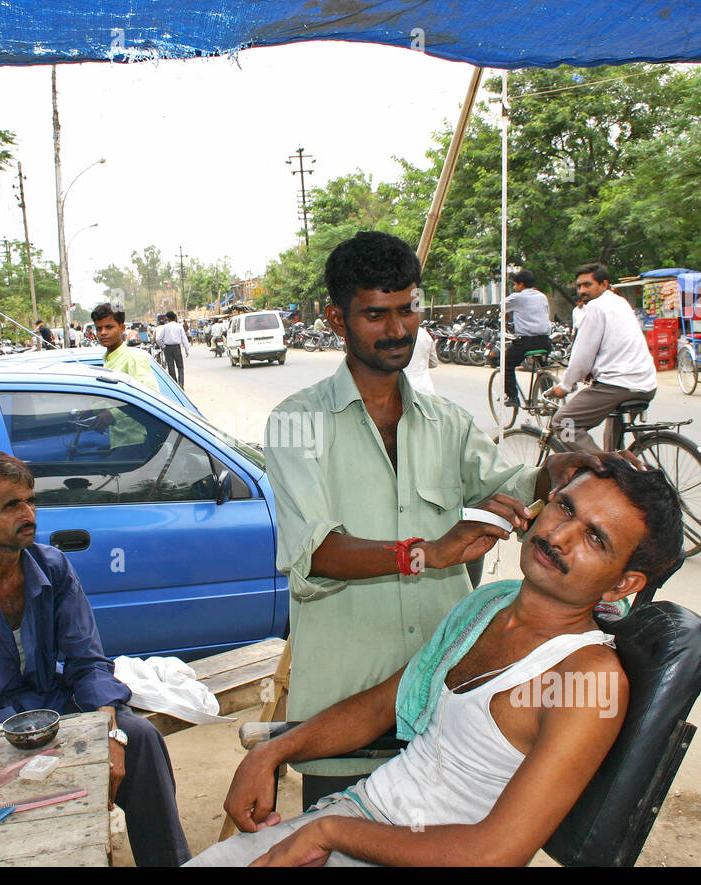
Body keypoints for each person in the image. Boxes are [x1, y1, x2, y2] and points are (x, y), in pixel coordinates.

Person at [264, 231, 634, 808]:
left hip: (445, 703)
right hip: (344, 701)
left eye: (408, 308)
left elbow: (507, 488)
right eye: (376, 315)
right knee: (333, 841)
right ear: (337, 320)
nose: (397, 329)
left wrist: (553, 474)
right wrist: (429, 552)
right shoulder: (296, 422)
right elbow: (318, 552)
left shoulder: (446, 422)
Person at [188, 458, 684, 866]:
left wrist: (329, 832)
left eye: (595, 539)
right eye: (564, 508)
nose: (559, 537)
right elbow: (383, 704)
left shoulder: (586, 678)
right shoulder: (489, 604)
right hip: (356, 817)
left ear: (623, 585)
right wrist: (270, 753)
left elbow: (493, 854)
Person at [0, 452, 190, 866]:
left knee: (142, 740)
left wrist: (110, 736)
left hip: (52, 704)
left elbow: (88, 662)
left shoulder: (54, 566)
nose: (29, 514)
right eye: (12, 506)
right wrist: (6, 743)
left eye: (30, 501)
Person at [549, 264, 658, 452]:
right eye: (579, 286)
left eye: (587, 285)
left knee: (563, 422)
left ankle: (604, 469)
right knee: (612, 429)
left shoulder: (595, 308)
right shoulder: (620, 302)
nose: (582, 290)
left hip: (619, 385)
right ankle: (619, 465)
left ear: (604, 284)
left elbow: (582, 356)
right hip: (646, 384)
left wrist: (566, 386)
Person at [501, 269, 552, 407]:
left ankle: (512, 397)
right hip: (545, 341)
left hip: (526, 342)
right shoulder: (542, 296)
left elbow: (502, 306)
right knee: (543, 365)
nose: (515, 288)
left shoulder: (518, 297)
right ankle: (549, 396)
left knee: (506, 364)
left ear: (521, 284)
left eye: (515, 285)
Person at [91, 303, 159, 393]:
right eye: (99, 328)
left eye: (109, 327)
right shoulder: (108, 359)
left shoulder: (133, 359)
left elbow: (151, 397)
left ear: (122, 328)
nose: (103, 332)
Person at [155, 310, 190, 388]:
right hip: (177, 348)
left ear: (167, 318)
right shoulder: (179, 326)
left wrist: (163, 346)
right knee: (180, 366)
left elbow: (158, 339)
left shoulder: (165, 327)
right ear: (174, 317)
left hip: (168, 348)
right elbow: (184, 339)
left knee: (171, 367)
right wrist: (187, 350)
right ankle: (181, 383)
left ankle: (175, 386)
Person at [405, 324, 439, 394]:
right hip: (425, 389)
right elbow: (433, 363)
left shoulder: (395, 334)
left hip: (404, 390)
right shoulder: (425, 334)